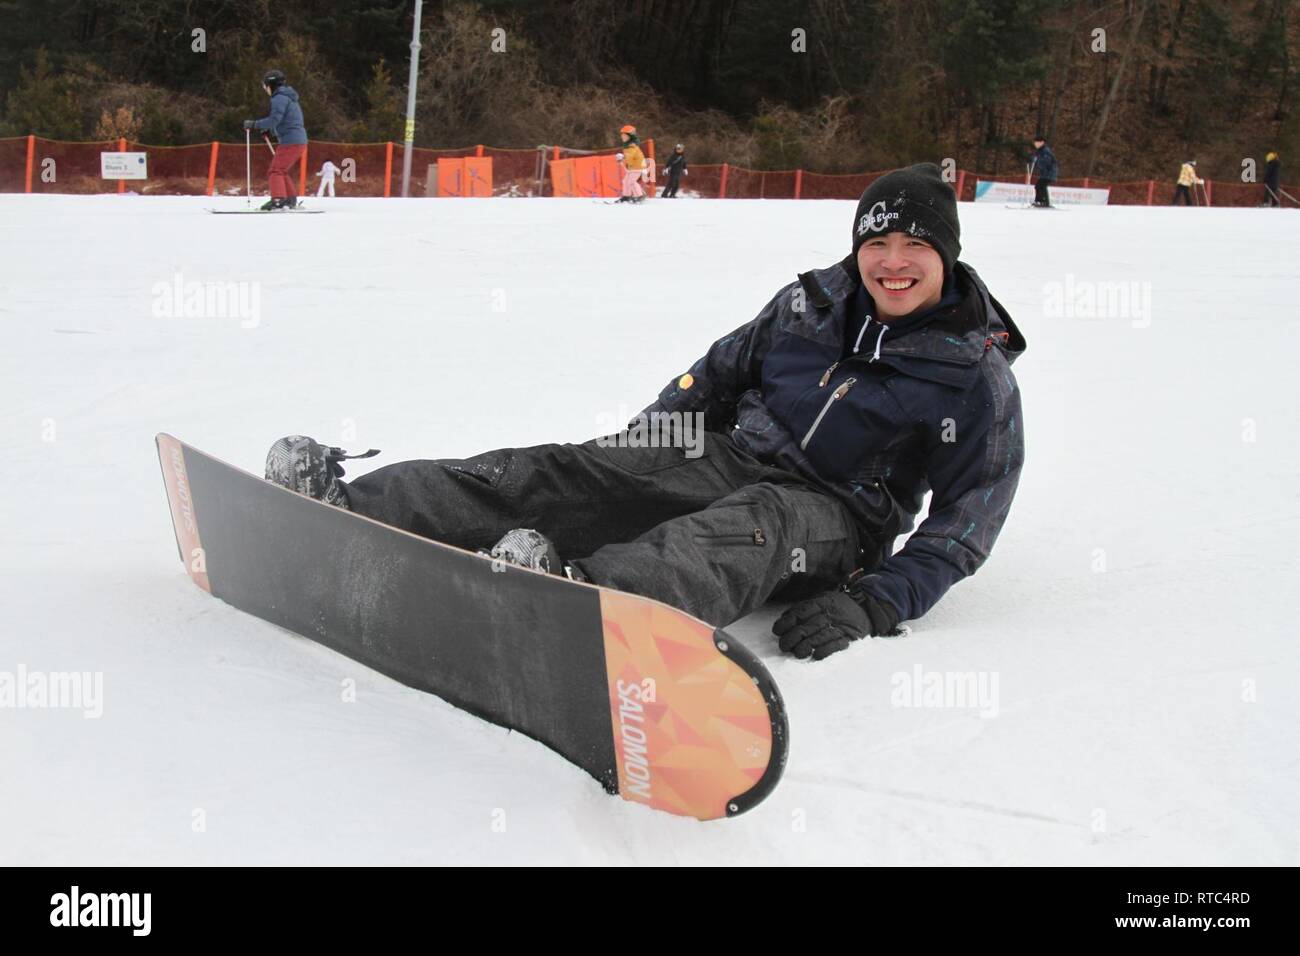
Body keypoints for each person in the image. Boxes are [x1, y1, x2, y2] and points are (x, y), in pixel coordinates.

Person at [264, 164, 1026, 661]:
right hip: (729, 453)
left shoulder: (973, 375)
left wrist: (871, 602)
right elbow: (716, 378)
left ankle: (575, 601)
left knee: (740, 530)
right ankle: (351, 509)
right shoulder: (811, 303)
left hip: (831, 517)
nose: (894, 261)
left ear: (946, 256)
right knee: (571, 470)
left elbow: (966, 524)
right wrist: (640, 450)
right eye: (879, 242)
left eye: (915, 246)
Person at [243, 69, 308, 211]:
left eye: (265, 86)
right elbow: (286, 120)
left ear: (270, 85)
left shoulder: (279, 98)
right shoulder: (287, 97)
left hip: (291, 141)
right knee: (281, 170)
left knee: (275, 171)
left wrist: (255, 124)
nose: (265, 89)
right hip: (296, 140)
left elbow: (275, 119)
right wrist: (270, 130)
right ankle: (289, 200)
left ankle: (278, 200)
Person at [616, 124, 647, 203]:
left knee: (631, 182)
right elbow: (628, 158)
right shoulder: (627, 145)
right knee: (625, 181)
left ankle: (640, 196)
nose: (622, 137)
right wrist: (622, 159)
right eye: (622, 135)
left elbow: (630, 156)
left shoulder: (632, 145)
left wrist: (622, 158)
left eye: (625, 136)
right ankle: (626, 196)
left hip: (637, 166)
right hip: (632, 167)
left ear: (631, 136)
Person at [1029, 133, 1057, 207]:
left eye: (1037, 142)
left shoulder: (1045, 151)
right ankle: (1041, 201)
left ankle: (1043, 202)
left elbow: (1046, 161)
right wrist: (1031, 160)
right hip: (1045, 173)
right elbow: (1037, 159)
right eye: (1035, 143)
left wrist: (1036, 160)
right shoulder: (1040, 151)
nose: (1035, 144)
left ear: (1042, 142)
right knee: (1039, 186)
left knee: (1040, 185)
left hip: (1049, 172)